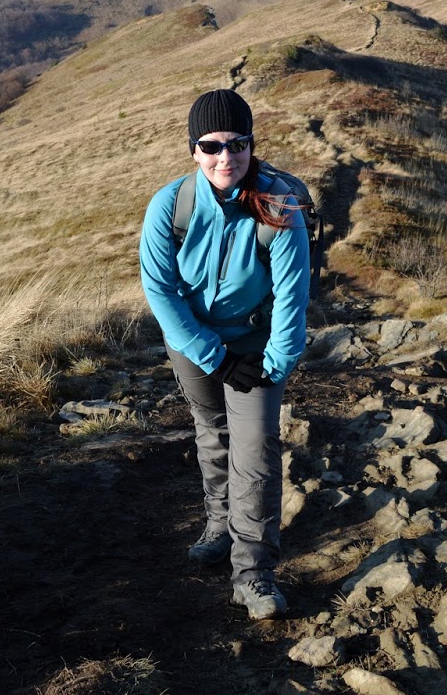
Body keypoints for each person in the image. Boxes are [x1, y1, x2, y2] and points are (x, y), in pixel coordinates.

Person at [138, 88, 310, 621]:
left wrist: (272, 367)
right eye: (211, 146)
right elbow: (160, 290)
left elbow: (293, 297)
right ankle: (219, 526)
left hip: (257, 347)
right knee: (212, 430)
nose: (225, 157)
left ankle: (253, 573)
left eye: (237, 144)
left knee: (254, 448)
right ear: (194, 149)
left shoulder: (279, 205)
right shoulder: (169, 205)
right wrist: (215, 358)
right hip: (192, 341)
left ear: (252, 145)